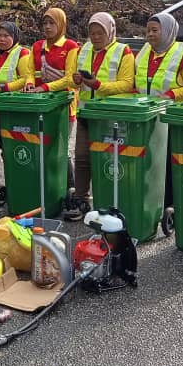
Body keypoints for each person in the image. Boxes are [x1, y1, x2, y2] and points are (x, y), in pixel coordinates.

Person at [65, 12, 136, 221]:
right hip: (87, 113)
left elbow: (127, 83)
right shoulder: (84, 50)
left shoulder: (124, 52)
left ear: (111, 31)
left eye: (100, 33)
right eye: (92, 33)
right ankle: (81, 200)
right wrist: (78, 80)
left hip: (110, 117)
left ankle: (112, 203)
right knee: (82, 158)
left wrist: (98, 85)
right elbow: (74, 82)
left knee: (109, 162)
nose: (95, 37)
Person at [134, 11, 183, 211]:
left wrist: (171, 95)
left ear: (166, 31)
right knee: (151, 162)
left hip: (172, 117)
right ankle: (153, 201)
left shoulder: (182, 51)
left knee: (168, 163)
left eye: (154, 30)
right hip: (148, 115)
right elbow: (135, 79)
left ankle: (170, 204)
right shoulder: (145, 51)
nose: (150, 35)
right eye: (147, 31)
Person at [25, 7, 80, 199]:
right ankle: (46, 189)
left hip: (64, 105)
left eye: (52, 23)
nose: (47, 27)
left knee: (61, 149)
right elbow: (30, 71)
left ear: (61, 25)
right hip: (41, 105)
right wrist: (31, 83)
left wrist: (46, 88)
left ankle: (70, 191)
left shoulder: (71, 47)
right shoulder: (37, 47)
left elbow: (70, 79)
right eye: (45, 23)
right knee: (41, 147)